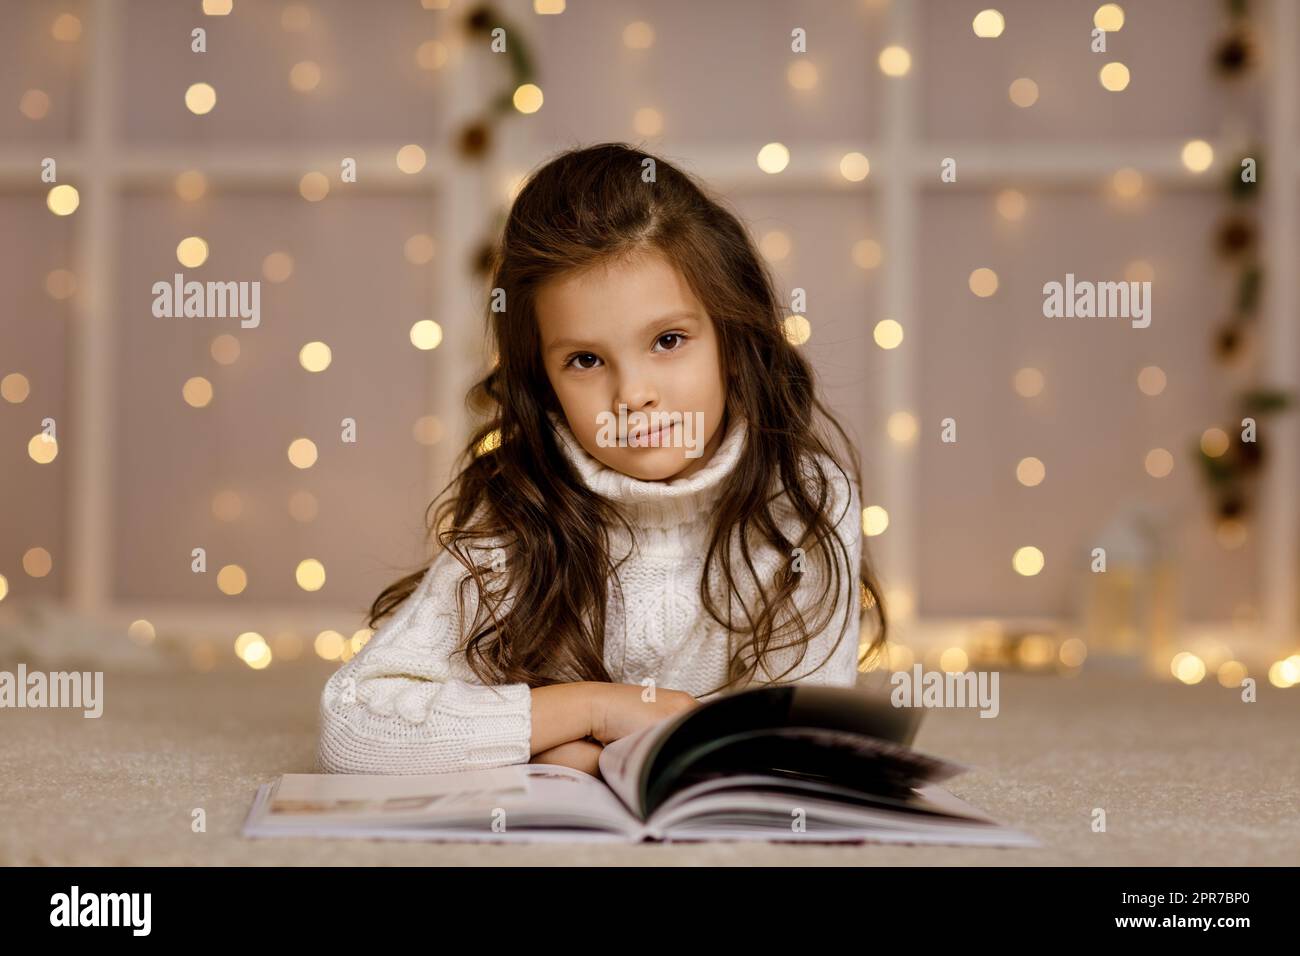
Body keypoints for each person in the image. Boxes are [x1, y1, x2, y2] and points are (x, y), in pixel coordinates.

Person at [317, 143, 888, 778]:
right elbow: (353, 725)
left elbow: (796, 739)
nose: (633, 394)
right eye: (585, 360)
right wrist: (591, 710)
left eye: (668, 341)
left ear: (733, 336)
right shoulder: (517, 505)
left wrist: (568, 750)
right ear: (544, 380)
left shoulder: (803, 500)